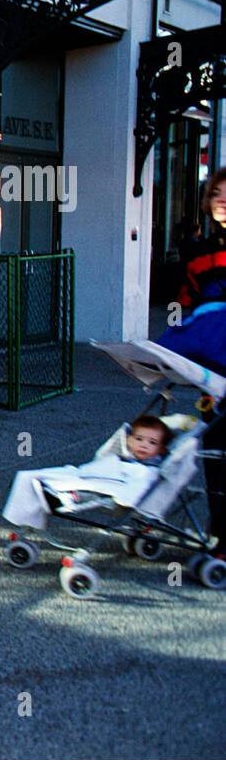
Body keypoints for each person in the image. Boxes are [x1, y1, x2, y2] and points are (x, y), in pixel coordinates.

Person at [165, 167, 226, 559]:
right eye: (217, 194)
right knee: (216, 453)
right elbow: (184, 307)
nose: (222, 200)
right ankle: (221, 538)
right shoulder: (198, 252)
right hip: (214, 368)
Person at [2, 416, 172, 531]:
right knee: (32, 475)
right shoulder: (123, 457)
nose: (144, 445)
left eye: (152, 442)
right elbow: (98, 466)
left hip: (111, 487)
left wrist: (125, 497)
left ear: (161, 449)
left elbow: (138, 486)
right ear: (128, 439)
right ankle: (37, 488)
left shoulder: (149, 471)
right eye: (139, 439)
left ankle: (63, 496)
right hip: (96, 474)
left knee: (87, 487)